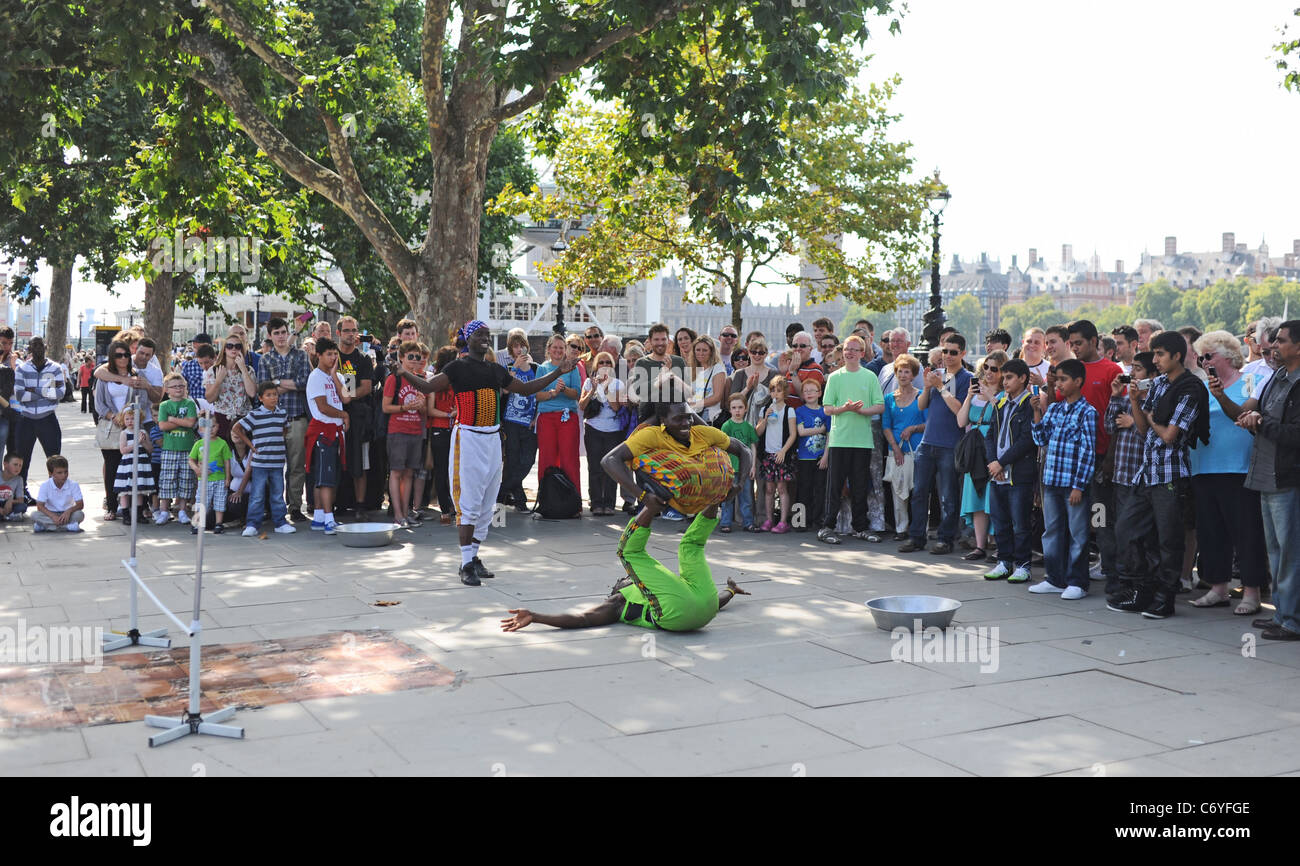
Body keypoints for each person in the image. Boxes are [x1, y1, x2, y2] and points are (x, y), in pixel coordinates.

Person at [521, 399, 755, 633]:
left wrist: (731, 591)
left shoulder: (665, 589)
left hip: (704, 609)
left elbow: (713, 601)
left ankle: (712, 498)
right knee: (630, 552)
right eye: (621, 582)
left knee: (691, 546)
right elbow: (583, 618)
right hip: (676, 613)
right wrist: (536, 617)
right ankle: (656, 506)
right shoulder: (617, 602)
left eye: (623, 580)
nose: (625, 580)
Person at [395, 321, 577, 585]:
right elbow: (427, 387)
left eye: (487, 335)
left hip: (492, 439)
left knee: (488, 504)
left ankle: (475, 556)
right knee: (469, 502)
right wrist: (402, 372)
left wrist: (558, 371)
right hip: (468, 438)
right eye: (479, 334)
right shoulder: (457, 367)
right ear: (467, 340)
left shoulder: (495, 370)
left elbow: (525, 389)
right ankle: (465, 563)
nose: (484, 338)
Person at [1108, 331, 1207, 619]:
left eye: (1161, 354)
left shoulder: (1190, 388)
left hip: (1170, 474)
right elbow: (1142, 429)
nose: (1156, 360)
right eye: (1154, 354)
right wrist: (1136, 400)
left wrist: (1149, 414)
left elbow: (1168, 436)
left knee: (1168, 539)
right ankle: (1142, 589)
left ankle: (1165, 597)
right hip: (1146, 471)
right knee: (1127, 529)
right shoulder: (1160, 383)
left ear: (1177, 356)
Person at [1212, 320, 1300, 640]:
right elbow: (1244, 412)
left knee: (1290, 553)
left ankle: (1292, 620)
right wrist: (1222, 397)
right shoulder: (1276, 377)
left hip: (1288, 477)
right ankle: (1282, 614)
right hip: (1265, 475)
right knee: (1276, 552)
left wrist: (1260, 422)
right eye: (1273, 340)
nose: (1273, 346)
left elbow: (1294, 434)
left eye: (1281, 341)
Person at [1189, 331, 1266, 616]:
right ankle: (1218, 587)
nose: (1204, 361)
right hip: (1203, 466)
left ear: (1229, 356)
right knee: (1211, 531)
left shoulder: (1251, 380)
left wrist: (1220, 395)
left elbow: (1241, 415)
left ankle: (1252, 591)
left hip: (1238, 466)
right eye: (1200, 357)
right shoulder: (1200, 386)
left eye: (1210, 356)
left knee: (1246, 531)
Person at [1027, 359, 1097, 599]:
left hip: (1072, 484)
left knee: (1077, 533)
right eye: (1056, 379)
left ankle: (1078, 581)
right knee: (1052, 530)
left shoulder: (1087, 412)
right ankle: (1054, 578)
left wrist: (1079, 485)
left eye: (1063, 379)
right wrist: (1037, 411)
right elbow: (1040, 438)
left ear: (1078, 382)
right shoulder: (1055, 409)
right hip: (1052, 480)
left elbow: (1088, 451)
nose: (1058, 384)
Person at [900, 334, 972, 554]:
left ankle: (945, 538)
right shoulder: (939, 375)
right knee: (919, 492)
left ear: (962, 353)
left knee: (948, 495)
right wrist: (929, 386)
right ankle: (916, 536)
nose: (947, 356)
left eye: (953, 352)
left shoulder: (966, 377)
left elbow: (959, 409)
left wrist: (940, 386)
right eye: (945, 351)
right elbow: (921, 405)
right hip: (928, 442)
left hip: (950, 444)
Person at [1063, 319, 1123, 584]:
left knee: (1100, 514)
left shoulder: (1112, 370)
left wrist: (1109, 458)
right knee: (1074, 515)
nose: (1075, 348)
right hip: (1071, 458)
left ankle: (1108, 564)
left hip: (1100, 455)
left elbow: (1118, 415)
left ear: (1094, 342)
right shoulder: (1066, 371)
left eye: (1079, 343)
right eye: (1071, 343)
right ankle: (1074, 566)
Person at [1103, 352, 1158, 603]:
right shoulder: (1126, 398)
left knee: (1136, 533)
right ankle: (1121, 578)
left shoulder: (1155, 401)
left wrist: (1133, 422)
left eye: (1137, 369)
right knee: (1115, 528)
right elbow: (1108, 426)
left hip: (1141, 477)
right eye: (1132, 368)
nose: (1132, 373)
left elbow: (1152, 435)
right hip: (1120, 474)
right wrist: (1115, 396)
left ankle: (1138, 582)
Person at [983, 359, 1038, 583]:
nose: (1004, 382)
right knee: (1000, 520)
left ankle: (1023, 564)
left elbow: (1027, 439)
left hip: (1018, 473)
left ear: (1022, 378)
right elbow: (990, 436)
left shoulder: (1028, 404)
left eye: (1009, 377)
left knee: (1020, 523)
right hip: (998, 474)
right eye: (1003, 377)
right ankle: (1004, 561)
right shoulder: (1000, 404)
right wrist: (993, 462)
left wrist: (1002, 462)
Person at [259, 317, 312, 522]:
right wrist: (281, 386)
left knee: (296, 465)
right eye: (277, 333)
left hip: (297, 417)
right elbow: (264, 390)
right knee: (272, 467)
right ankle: (275, 507)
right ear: (270, 336)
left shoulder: (300, 355)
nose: (281, 336)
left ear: (288, 332)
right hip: (273, 421)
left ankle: (296, 506)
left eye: (283, 332)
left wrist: (278, 383)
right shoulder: (265, 359)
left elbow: (305, 383)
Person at [957, 352, 1005, 562]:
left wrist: (991, 397)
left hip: (993, 449)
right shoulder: (976, 394)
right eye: (986, 367)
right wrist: (969, 396)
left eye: (995, 369)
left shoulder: (1004, 395)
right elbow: (960, 421)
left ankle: (997, 544)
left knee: (992, 497)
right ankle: (979, 545)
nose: (989, 372)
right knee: (975, 497)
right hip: (974, 450)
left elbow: (1005, 419)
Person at [233, 380, 296, 536]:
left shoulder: (282, 413)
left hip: (277, 461)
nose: (273, 398)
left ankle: (280, 522)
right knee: (257, 494)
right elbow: (237, 428)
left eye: (275, 394)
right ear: (261, 398)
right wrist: (251, 446)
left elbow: (285, 430)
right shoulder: (255, 414)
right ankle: (252, 524)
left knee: (277, 493)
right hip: (260, 463)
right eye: (268, 395)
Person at [332, 317, 378, 514]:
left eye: (354, 330)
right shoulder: (331, 357)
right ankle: (337, 504)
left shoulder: (362, 359)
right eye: (347, 330)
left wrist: (347, 396)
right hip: (333, 416)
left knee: (360, 463)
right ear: (339, 333)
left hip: (358, 419)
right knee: (335, 462)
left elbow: (366, 387)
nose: (351, 334)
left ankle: (360, 505)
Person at [381, 341, 429, 527]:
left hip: (416, 430)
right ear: (401, 358)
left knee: (409, 474)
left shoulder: (419, 379)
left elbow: (425, 411)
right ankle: (398, 514)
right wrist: (405, 407)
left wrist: (421, 405)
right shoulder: (394, 378)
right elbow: (385, 407)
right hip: (398, 431)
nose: (415, 360)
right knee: (396, 472)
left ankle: (406, 512)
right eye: (411, 357)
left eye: (418, 357)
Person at [304, 337, 349, 534]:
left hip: (336, 430)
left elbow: (348, 396)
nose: (332, 358)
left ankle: (320, 517)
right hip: (324, 431)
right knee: (325, 477)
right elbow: (322, 406)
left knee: (327, 475)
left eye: (335, 354)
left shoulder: (338, 375)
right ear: (319, 355)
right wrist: (343, 415)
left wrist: (335, 378)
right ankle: (328, 518)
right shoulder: (315, 377)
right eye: (329, 354)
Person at [535, 334, 583, 507]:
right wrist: (553, 393)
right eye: (554, 347)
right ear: (549, 349)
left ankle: (574, 502)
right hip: (546, 418)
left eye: (561, 348)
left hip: (566, 417)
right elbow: (537, 395)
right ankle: (546, 501)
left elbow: (577, 394)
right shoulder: (542, 368)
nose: (558, 350)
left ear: (565, 350)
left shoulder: (572, 368)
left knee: (569, 459)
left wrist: (564, 390)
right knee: (546, 458)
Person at [882, 354, 926, 541]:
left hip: (917, 450)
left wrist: (913, 428)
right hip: (896, 450)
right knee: (897, 491)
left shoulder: (921, 397)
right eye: (900, 371)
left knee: (918, 491)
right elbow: (886, 426)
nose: (903, 375)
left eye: (907, 371)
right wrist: (894, 447)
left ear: (914, 375)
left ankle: (918, 529)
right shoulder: (889, 398)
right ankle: (901, 529)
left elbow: (928, 423)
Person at [12, 337, 66, 490]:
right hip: (26, 419)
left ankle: (55, 493)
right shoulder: (22, 369)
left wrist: (34, 390)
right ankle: (22, 494)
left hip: (47, 418)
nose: (37, 348)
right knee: (22, 460)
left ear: (45, 346)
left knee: (55, 460)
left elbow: (61, 392)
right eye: (33, 345)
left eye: (40, 344)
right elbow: (20, 395)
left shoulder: (55, 368)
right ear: (28, 347)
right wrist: (47, 393)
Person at [579, 351, 626, 516]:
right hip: (593, 429)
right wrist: (593, 389)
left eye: (608, 363)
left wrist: (605, 387)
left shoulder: (618, 383)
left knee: (611, 468)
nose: (605, 366)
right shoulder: (588, 382)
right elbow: (582, 405)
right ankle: (597, 503)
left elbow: (616, 407)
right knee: (595, 467)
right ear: (595, 366)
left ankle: (609, 504)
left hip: (613, 431)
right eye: (601, 363)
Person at [500, 335, 538, 514]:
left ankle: (500, 492)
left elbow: (539, 392)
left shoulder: (536, 368)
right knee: (513, 460)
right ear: (510, 350)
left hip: (529, 421)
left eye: (522, 345)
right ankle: (520, 500)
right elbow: (505, 390)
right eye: (515, 347)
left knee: (528, 460)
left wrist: (536, 416)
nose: (519, 349)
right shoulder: (508, 369)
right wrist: (513, 369)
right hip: (511, 420)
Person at [157, 372, 199, 526]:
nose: (179, 389)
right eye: (175, 387)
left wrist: (173, 419)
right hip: (170, 448)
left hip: (187, 448)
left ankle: (181, 510)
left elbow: (190, 423)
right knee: (167, 480)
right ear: (167, 390)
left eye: (182, 386)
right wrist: (183, 421)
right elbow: (162, 425)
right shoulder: (164, 405)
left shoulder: (189, 404)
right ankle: (164, 510)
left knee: (186, 480)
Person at [756, 376, 797, 533]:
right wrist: (765, 417)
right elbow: (758, 432)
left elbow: (793, 434)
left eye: (779, 391)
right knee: (769, 488)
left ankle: (783, 521)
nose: (775, 394)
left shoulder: (789, 410)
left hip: (781, 454)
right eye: (773, 391)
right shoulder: (765, 409)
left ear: (785, 393)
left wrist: (783, 451)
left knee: (782, 487)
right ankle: (768, 519)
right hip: (768, 454)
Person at [203, 332, 256, 442]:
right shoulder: (214, 370)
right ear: (224, 349)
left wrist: (243, 370)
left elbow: (252, 393)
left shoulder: (248, 370)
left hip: (243, 418)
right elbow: (210, 398)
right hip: (222, 418)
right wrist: (218, 381)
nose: (234, 349)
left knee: (242, 455)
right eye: (229, 346)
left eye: (238, 346)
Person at [718, 395, 758, 533]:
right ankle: (725, 523)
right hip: (729, 468)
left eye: (740, 407)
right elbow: (722, 447)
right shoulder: (726, 426)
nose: (737, 410)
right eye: (734, 408)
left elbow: (752, 446)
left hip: (744, 469)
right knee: (727, 497)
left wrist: (752, 465)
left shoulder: (748, 427)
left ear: (746, 409)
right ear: (730, 410)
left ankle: (748, 523)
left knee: (746, 497)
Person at [188, 414, 232, 534]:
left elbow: (227, 461)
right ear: (201, 429)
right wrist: (196, 469)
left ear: (217, 427)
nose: (210, 429)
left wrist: (228, 477)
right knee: (201, 501)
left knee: (219, 501)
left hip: (220, 478)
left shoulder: (222, 443)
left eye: (213, 426)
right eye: (207, 427)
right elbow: (191, 459)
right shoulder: (199, 444)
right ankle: (197, 523)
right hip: (204, 479)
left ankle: (219, 523)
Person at [113, 407, 155, 525]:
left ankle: (138, 514)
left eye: (133, 418)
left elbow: (150, 449)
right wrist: (136, 443)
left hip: (141, 463)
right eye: (127, 419)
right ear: (123, 420)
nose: (130, 421)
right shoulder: (124, 433)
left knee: (139, 490)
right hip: (128, 464)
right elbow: (123, 450)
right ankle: (126, 515)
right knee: (125, 491)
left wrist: (143, 442)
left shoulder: (143, 433)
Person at [33, 455, 83, 533]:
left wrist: (68, 511)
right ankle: (66, 527)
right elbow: (40, 506)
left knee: (80, 514)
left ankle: (46, 526)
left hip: (67, 514)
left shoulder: (73, 485)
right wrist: (53, 516)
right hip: (50, 513)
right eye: (59, 473)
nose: (64, 475)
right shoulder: (45, 485)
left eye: (66, 472)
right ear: (50, 473)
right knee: (34, 515)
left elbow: (80, 505)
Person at [686, 336, 728, 424]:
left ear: (711, 352)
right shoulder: (694, 370)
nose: (701, 353)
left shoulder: (717, 369)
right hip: (693, 413)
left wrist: (695, 404)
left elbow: (716, 397)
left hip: (709, 415)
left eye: (704, 350)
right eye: (698, 350)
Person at [1, 453, 28, 522]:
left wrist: (11, 501)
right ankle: (7, 515)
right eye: (15, 464)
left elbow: (20, 500)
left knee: (22, 506)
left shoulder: (19, 479)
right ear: (5, 464)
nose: (18, 468)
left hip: (8, 503)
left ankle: (5, 515)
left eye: (20, 466)